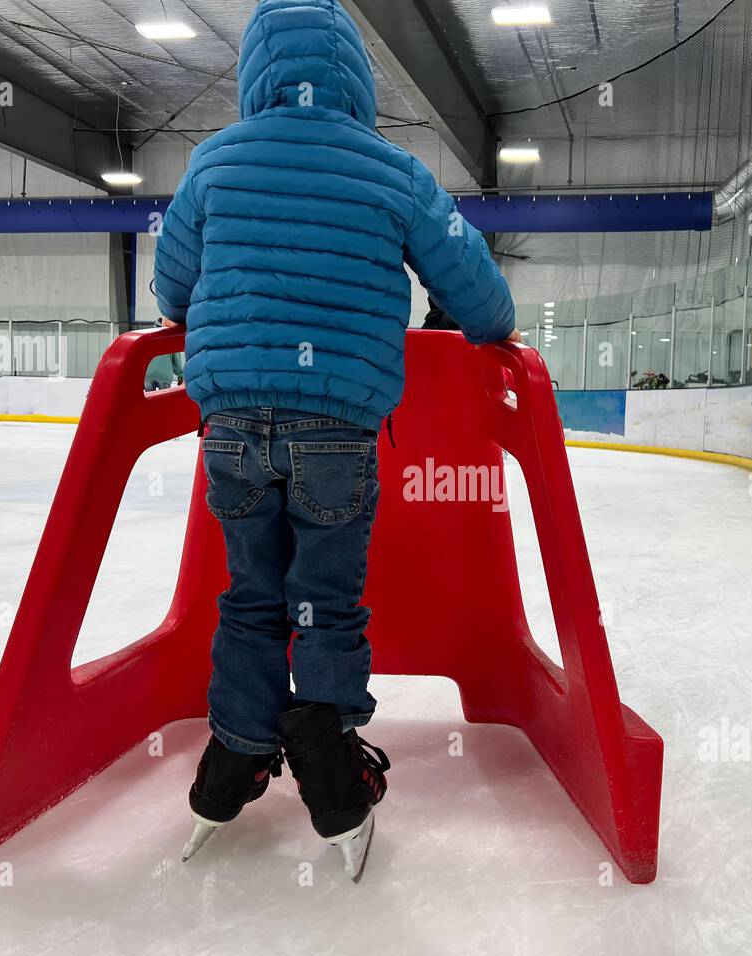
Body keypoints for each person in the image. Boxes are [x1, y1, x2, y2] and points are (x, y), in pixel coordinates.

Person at [155, 0, 520, 876]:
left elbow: (172, 286)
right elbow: (482, 300)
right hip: (337, 428)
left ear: (255, 74)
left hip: (233, 426)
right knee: (323, 598)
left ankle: (231, 762)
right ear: (358, 78)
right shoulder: (392, 169)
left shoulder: (212, 164)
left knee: (250, 597)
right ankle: (327, 764)